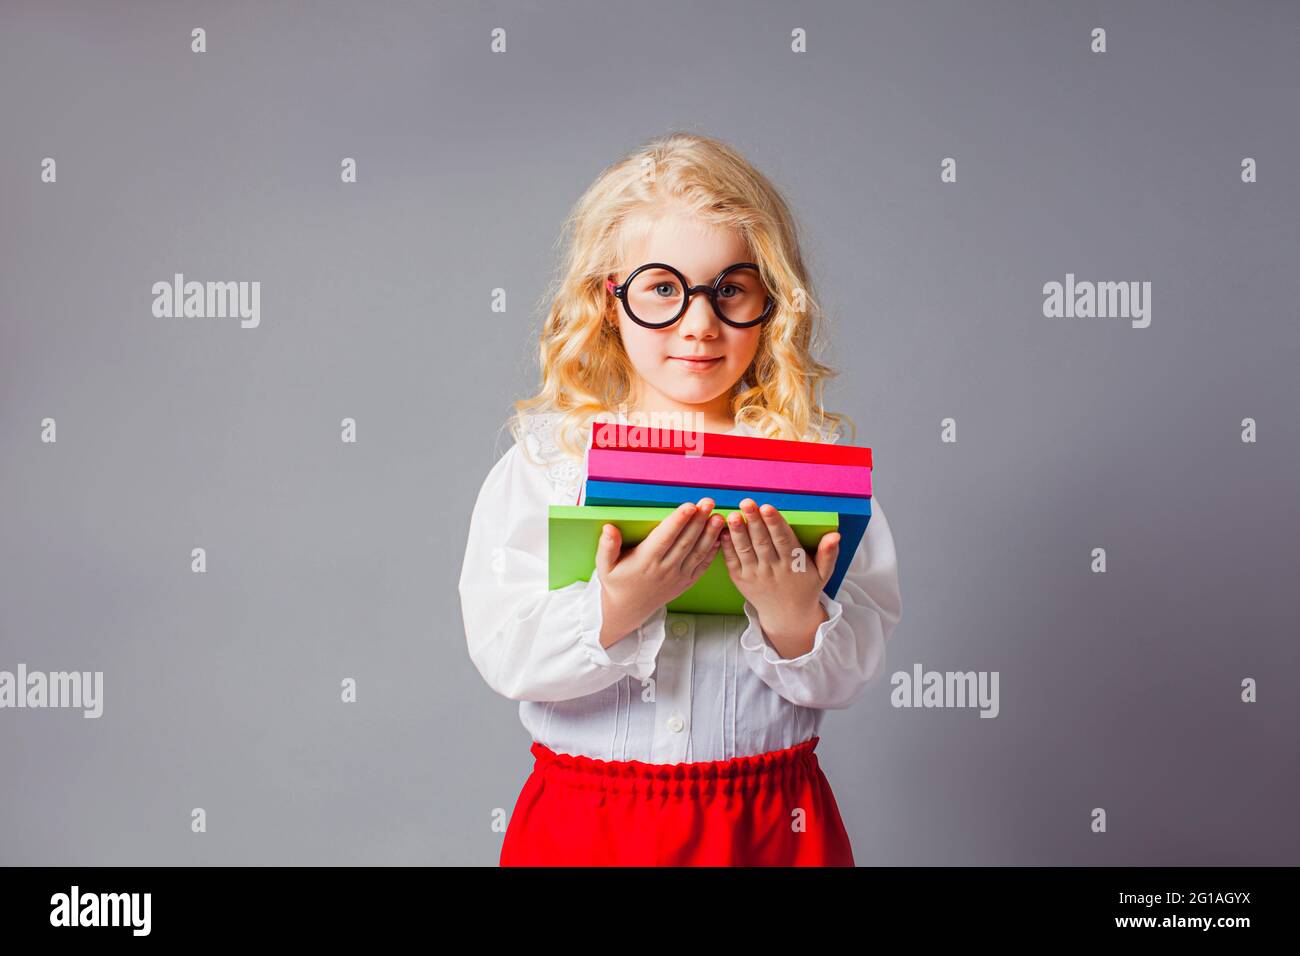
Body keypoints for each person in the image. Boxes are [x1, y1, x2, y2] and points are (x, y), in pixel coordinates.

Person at [458, 131, 902, 865]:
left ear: (771, 299)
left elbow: (852, 668)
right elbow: (507, 652)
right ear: (610, 299)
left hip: (769, 825)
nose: (700, 323)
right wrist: (619, 605)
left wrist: (794, 615)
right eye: (663, 288)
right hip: (588, 824)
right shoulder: (548, 462)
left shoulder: (810, 468)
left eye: (730, 289)